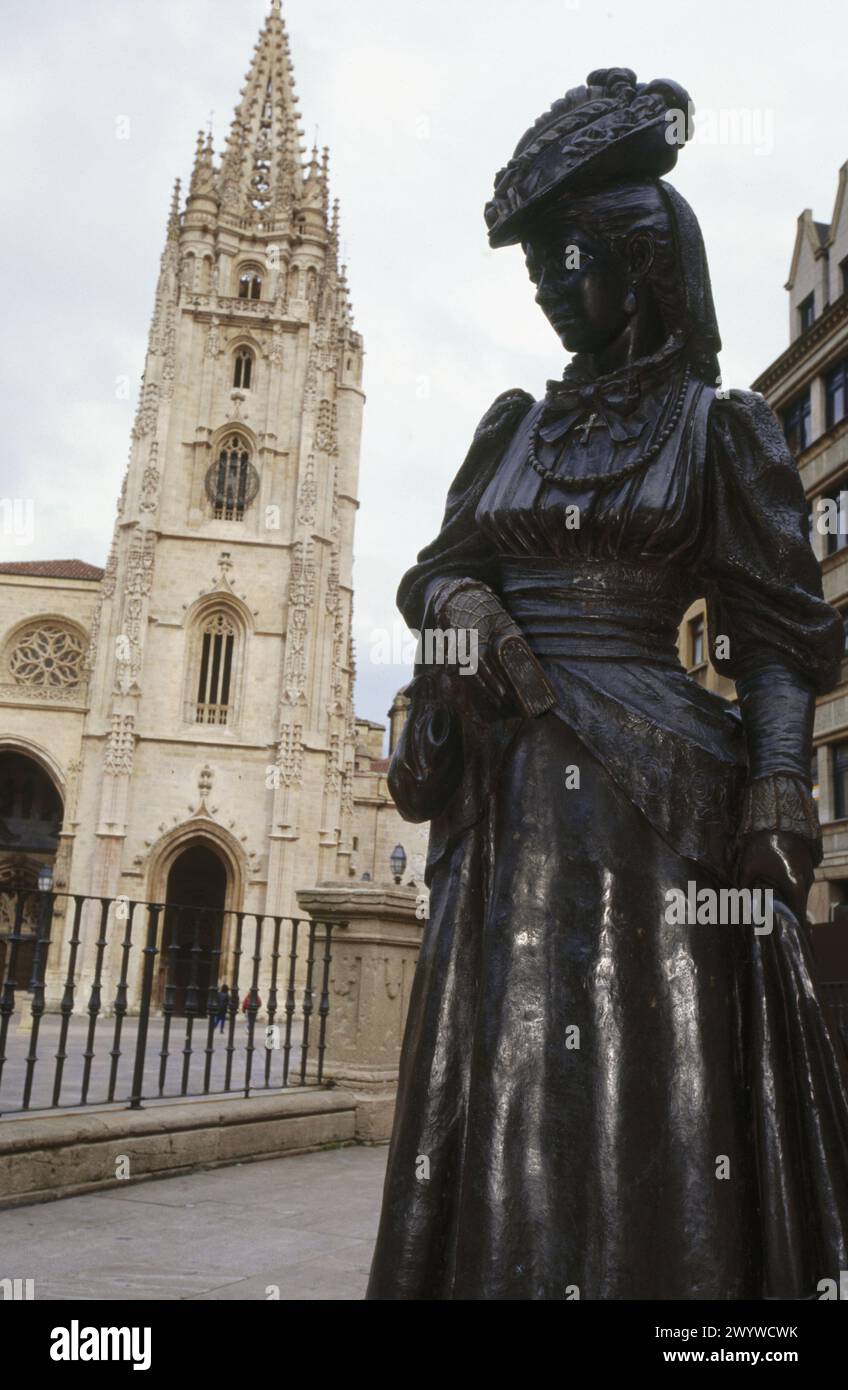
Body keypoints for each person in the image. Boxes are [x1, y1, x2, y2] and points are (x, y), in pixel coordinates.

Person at [366, 69, 848, 1301]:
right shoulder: (514, 426)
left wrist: (782, 783)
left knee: (653, 1079)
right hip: (510, 798)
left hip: (657, 810)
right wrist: (461, 609)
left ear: (637, 262)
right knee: (515, 1080)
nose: (546, 291)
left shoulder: (717, 425)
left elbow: (779, 631)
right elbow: (432, 576)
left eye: (563, 264)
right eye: (534, 273)